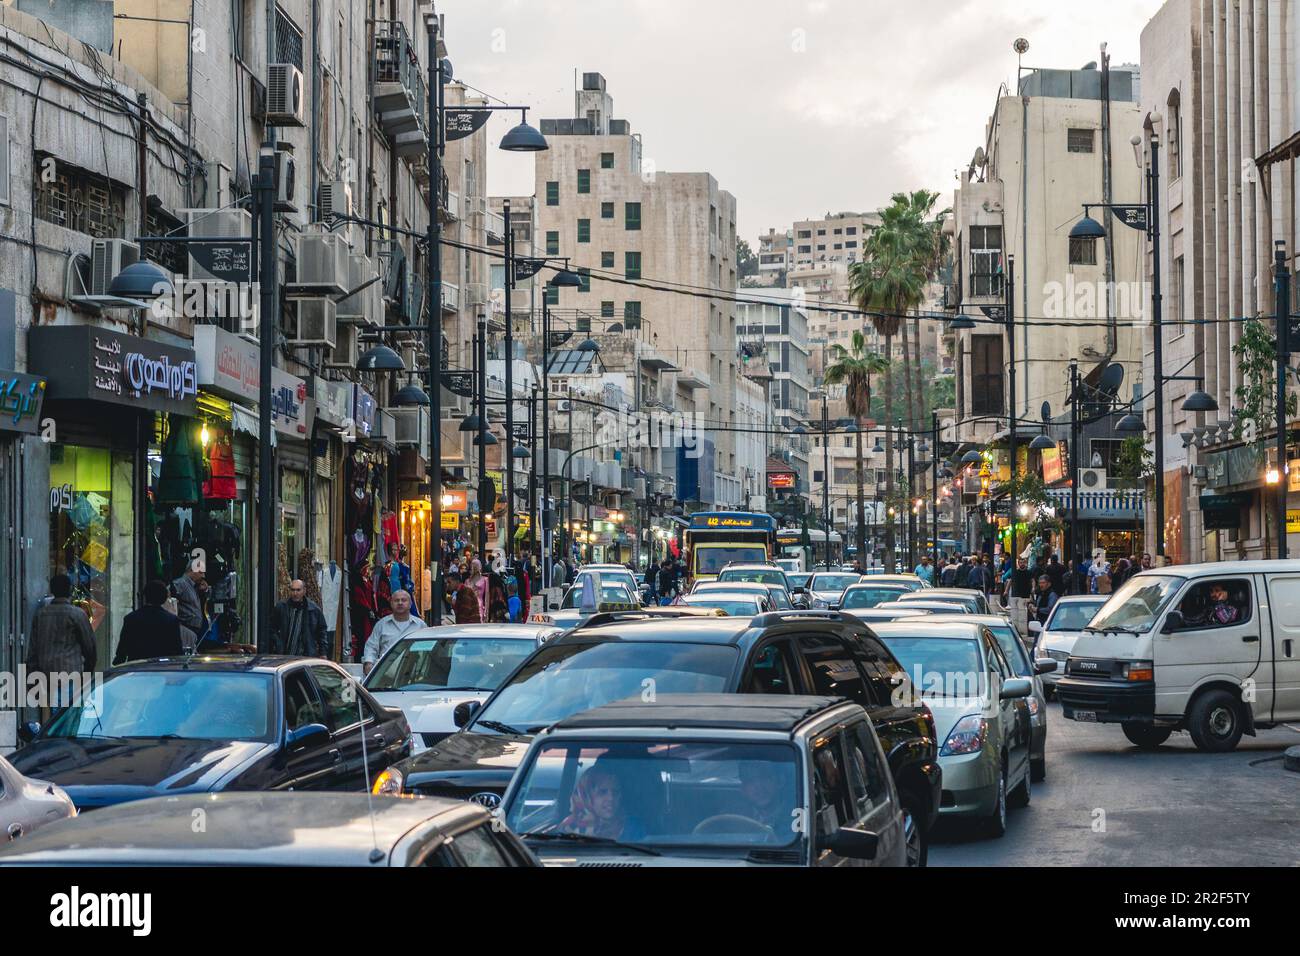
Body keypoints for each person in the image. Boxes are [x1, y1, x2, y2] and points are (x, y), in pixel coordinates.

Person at [27, 574, 96, 714]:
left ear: (52, 590)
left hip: (46, 674)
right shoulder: (77, 615)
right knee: (69, 717)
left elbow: (32, 650)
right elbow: (90, 648)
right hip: (71, 673)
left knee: (53, 717)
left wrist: (31, 674)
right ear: (70, 590)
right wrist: (88, 672)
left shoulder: (41, 615)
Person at [115, 579, 193, 665]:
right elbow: (177, 650)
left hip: (137, 669)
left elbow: (122, 650)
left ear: (145, 596)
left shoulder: (131, 618)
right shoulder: (171, 620)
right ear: (164, 598)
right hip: (161, 669)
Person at [558, 765, 642, 841]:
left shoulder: (632, 827)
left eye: (615, 792)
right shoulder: (568, 827)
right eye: (602, 792)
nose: (611, 798)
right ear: (586, 796)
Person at [363, 590, 426, 674]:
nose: (400, 603)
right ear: (391, 604)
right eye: (396, 600)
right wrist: (369, 663)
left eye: (403, 600)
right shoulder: (381, 625)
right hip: (385, 674)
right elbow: (371, 646)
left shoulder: (420, 625)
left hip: (413, 674)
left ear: (410, 604)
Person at [270, 579, 329, 657]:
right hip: (284, 654)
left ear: (304, 591)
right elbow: (271, 627)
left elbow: (322, 632)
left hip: (305, 655)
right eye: (293, 590)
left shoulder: (313, 610)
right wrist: (277, 643)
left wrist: (323, 653)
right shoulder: (281, 607)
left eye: (298, 590)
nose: (295, 593)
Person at [172, 565, 208, 638]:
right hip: (185, 628)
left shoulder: (195, 586)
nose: (203, 576)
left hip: (194, 630)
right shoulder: (180, 584)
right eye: (200, 572)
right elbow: (167, 597)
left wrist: (205, 590)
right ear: (192, 570)